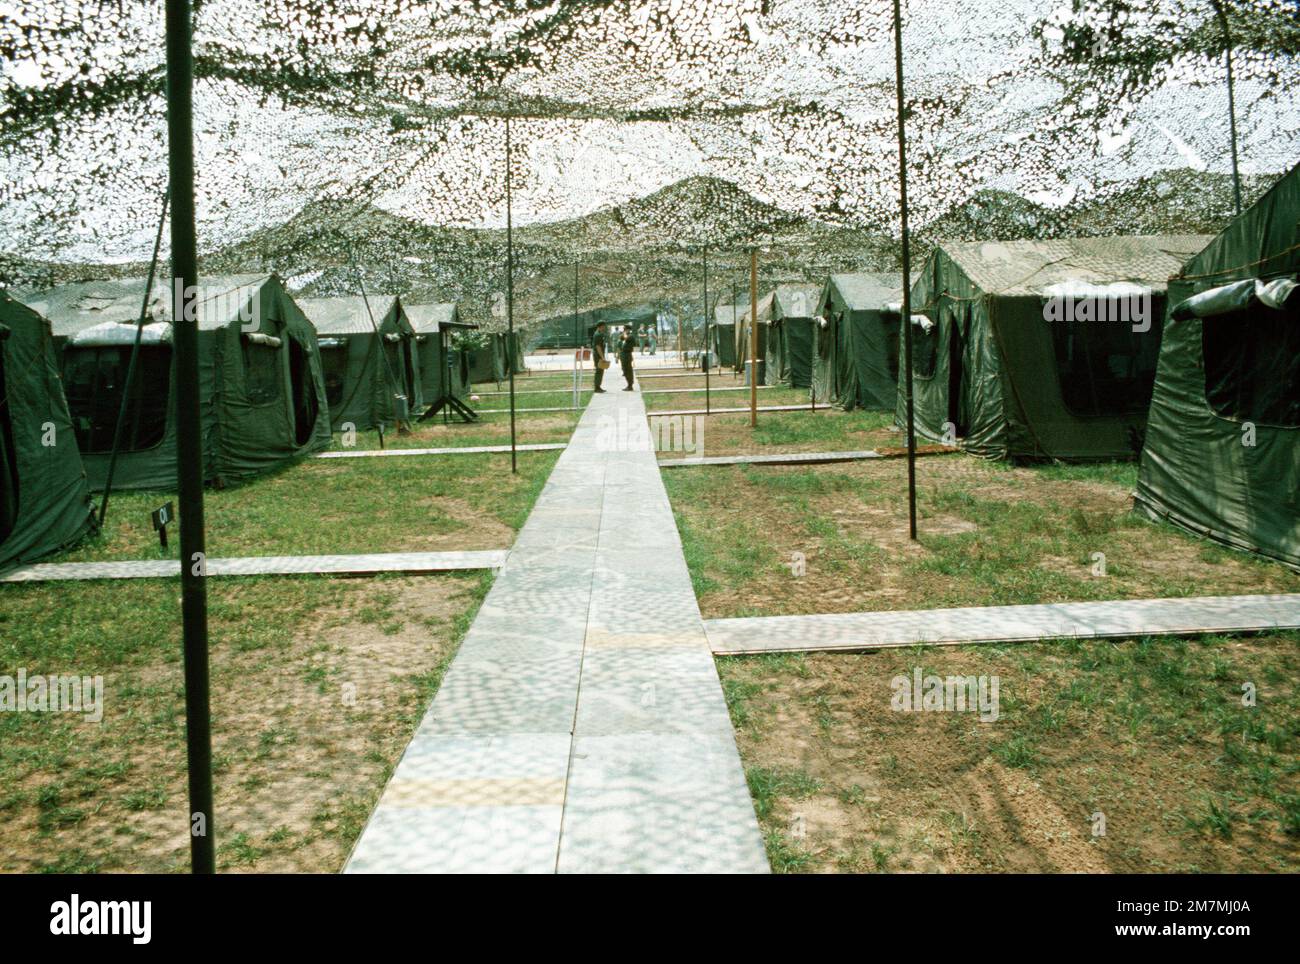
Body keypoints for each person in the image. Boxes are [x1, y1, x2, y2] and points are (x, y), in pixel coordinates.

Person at [591, 322, 608, 393]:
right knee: (599, 371)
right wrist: (602, 357)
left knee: (600, 371)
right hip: (598, 356)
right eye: (604, 326)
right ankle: (597, 387)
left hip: (598, 355)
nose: (604, 327)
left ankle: (598, 386)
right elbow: (598, 347)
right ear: (600, 326)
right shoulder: (598, 335)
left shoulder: (599, 333)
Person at [619, 326, 637, 391]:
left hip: (627, 354)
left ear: (629, 330)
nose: (625, 331)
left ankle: (630, 385)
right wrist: (623, 333)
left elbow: (626, 338)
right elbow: (621, 338)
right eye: (624, 330)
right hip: (624, 354)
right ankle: (629, 384)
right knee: (625, 370)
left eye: (625, 330)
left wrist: (625, 333)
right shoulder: (626, 335)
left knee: (628, 370)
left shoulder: (630, 336)